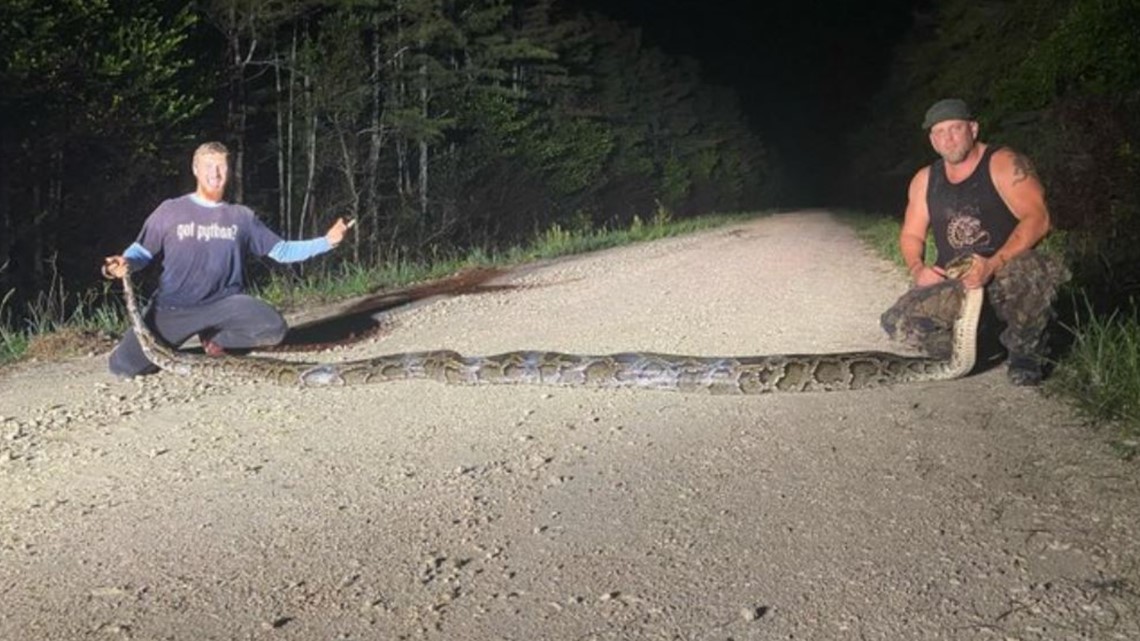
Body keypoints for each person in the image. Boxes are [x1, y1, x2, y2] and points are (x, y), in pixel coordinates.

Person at [102, 141, 353, 377]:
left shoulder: (241, 217)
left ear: (229, 170)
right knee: (123, 367)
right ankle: (173, 344)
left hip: (225, 304)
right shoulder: (170, 210)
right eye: (208, 166)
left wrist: (327, 241)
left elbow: (282, 251)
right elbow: (141, 252)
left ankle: (215, 339)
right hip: (174, 307)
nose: (215, 173)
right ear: (195, 169)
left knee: (272, 327)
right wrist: (122, 263)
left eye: (221, 166)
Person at [880, 98, 1070, 386]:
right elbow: (911, 235)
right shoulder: (925, 179)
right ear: (932, 139)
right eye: (939, 132)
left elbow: (1039, 218)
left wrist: (992, 264)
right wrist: (918, 269)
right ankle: (984, 343)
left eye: (955, 129)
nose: (948, 138)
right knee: (898, 323)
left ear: (973, 128)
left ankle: (1026, 354)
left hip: (1003, 273)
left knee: (1034, 269)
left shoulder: (1004, 163)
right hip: (956, 281)